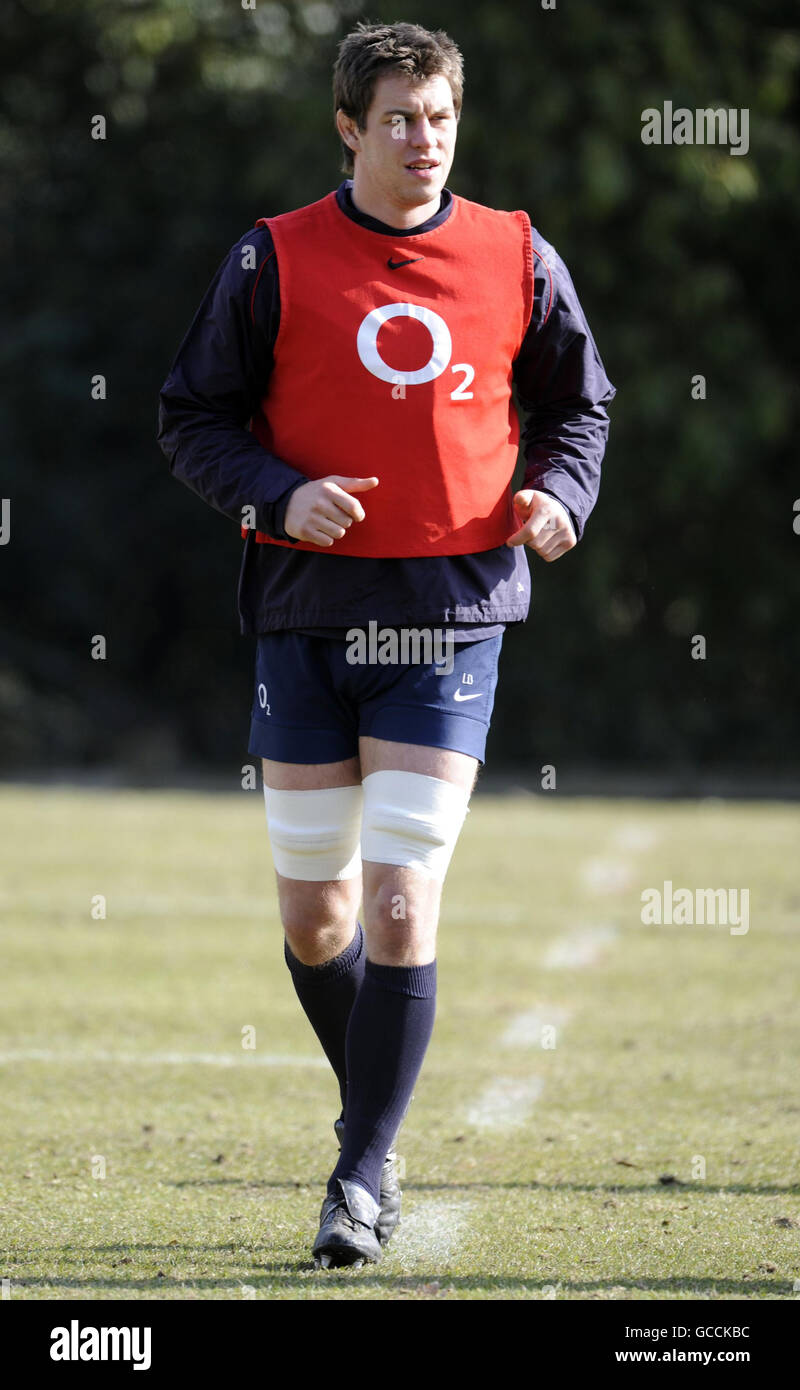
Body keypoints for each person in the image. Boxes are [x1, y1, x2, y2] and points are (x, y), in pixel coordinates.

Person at [157, 20, 615, 1269]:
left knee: (403, 896)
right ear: (349, 128)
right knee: (317, 919)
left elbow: (581, 403)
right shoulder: (272, 257)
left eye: (441, 117)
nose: (424, 140)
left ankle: (357, 1177)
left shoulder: (517, 254)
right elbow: (191, 414)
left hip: (451, 612)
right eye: (399, 119)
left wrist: (559, 497)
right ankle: (382, 1124)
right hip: (305, 614)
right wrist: (273, 495)